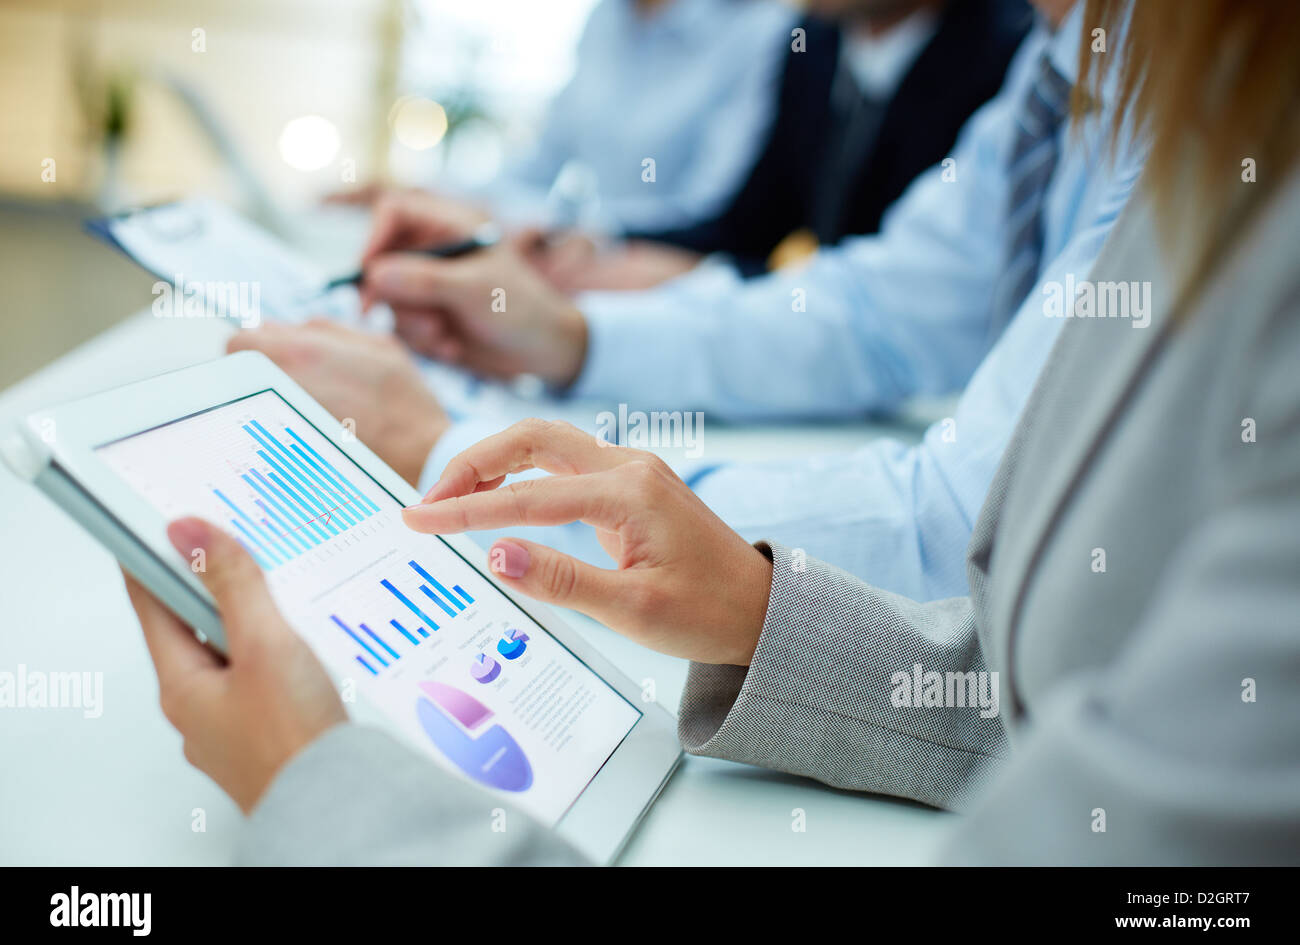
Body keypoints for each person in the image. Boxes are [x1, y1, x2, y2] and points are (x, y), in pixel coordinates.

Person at [127, 0, 1300, 864]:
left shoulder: (1239, 122)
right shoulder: (1097, 59)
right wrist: (769, 620)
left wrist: (324, 795)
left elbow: (967, 526)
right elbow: (884, 308)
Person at [233, 0, 1141, 605]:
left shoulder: (1204, 97)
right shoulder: (1061, 67)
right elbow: (878, 314)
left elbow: (960, 541)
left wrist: (452, 462)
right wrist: (572, 341)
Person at [536, 0, 1034, 290]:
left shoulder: (1010, 52)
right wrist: (607, 241)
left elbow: (923, 280)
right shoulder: (810, 44)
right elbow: (750, 223)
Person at [347, 0, 795, 241]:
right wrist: (429, 193)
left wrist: (564, 228)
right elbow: (542, 163)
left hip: (670, 280)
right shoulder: (605, 18)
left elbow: (712, 216)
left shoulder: (763, 29)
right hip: (574, 264)